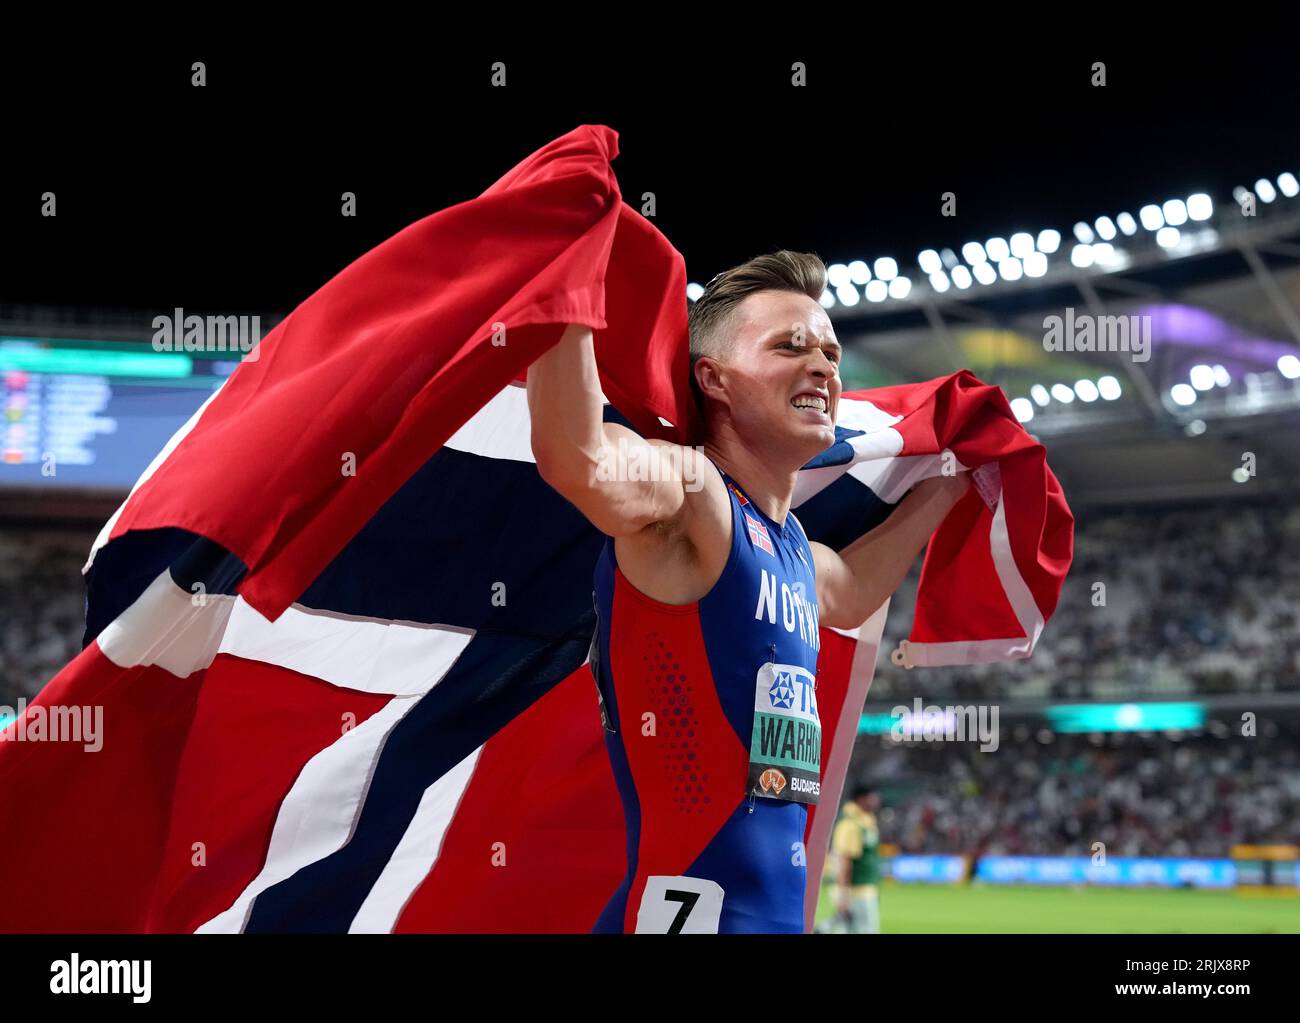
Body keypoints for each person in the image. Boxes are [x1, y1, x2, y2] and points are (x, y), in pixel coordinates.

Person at [527, 251, 969, 933]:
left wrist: (951, 477)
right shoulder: (694, 496)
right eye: (790, 346)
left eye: (829, 350)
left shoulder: (792, 547)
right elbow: (579, 457)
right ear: (714, 378)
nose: (822, 365)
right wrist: (567, 278)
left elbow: (848, 591)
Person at [830, 784, 883, 933]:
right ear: (861, 799)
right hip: (855, 892)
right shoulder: (850, 824)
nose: (876, 800)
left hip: (864, 890)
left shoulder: (866, 820)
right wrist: (843, 895)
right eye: (872, 797)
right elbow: (843, 860)